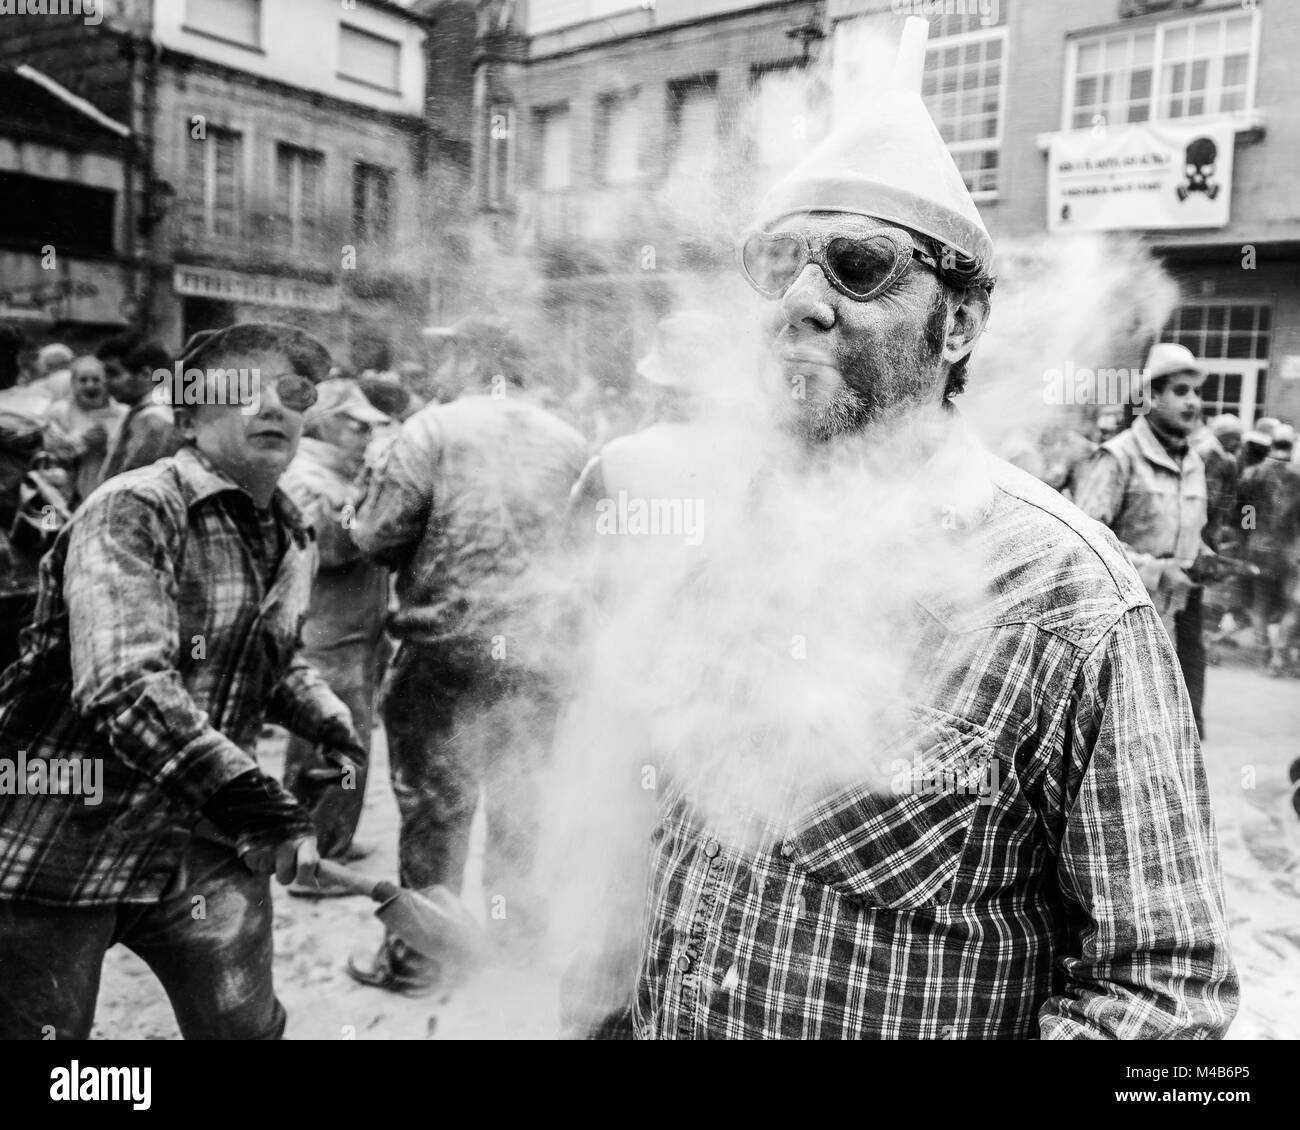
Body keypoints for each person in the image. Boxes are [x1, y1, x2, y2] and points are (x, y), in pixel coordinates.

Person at [595, 50, 1236, 1039]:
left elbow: (1162, 994)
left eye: (858, 264)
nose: (799, 300)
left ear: (960, 323)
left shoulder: (1067, 604)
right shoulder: (713, 530)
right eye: (776, 262)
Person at [0, 321, 367, 1040]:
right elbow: (122, 682)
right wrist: (252, 799)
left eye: (293, 391)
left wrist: (328, 719)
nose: (271, 407)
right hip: (68, 832)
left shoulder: (289, 528)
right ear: (191, 415)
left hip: (200, 841)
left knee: (246, 1031)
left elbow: (269, 656)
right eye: (240, 388)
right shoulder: (135, 506)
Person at [349, 312, 587, 994]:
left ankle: (423, 959)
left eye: (447, 353)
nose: (438, 366)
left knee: (433, 810)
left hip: (443, 652)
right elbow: (586, 550)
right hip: (539, 658)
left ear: (473, 360)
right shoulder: (567, 438)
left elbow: (376, 537)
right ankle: (516, 947)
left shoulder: (431, 430)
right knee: (521, 808)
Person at [278, 379, 392, 886]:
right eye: (355, 424)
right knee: (327, 743)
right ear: (324, 422)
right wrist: (368, 496)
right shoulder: (306, 474)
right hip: (325, 632)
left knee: (349, 739)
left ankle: (334, 841)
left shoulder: (337, 472)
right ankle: (313, 864)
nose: (365, 434)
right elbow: (334, 548)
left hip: (353, 631)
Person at [1075, 343, 1212, 737]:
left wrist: (1204, 557)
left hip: (1181, 622)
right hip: (1125, 631)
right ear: (1150, 396)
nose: (1194, 402)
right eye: (1181, 391)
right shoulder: (1118, 458)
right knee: (1128, 739)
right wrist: (1156, 571)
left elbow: (1186, 532)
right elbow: (1086, 546)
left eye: (1197, 392)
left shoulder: (1194, 463)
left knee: (1176, 734)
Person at [1237, 423, 1300, 673]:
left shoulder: (1253, 473)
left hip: (1258, 547)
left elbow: (1246, 511)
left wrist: (1250, 537)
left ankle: (1264, 653)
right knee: (1292, 606)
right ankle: (1279, 655)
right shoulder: (1298, 475)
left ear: (1271, 444)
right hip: (1290, 550)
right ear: (1292, 446)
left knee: (1260, 604)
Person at [96, 335, 181, 484]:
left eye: (113, 373)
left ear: (145, 375)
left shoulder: (155, 419)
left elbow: (131, 485)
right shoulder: (142, 412)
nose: (105, 381)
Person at [45, 355, 126, 506]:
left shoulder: (123, 414)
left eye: (96, 380)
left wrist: (106, 447)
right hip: (63, 497)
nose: (90, 386)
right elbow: (52, 449)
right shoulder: (59, 412)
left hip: (109, 495)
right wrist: (83, 441)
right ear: (73, 384)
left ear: (105, 382)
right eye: (83, 380)